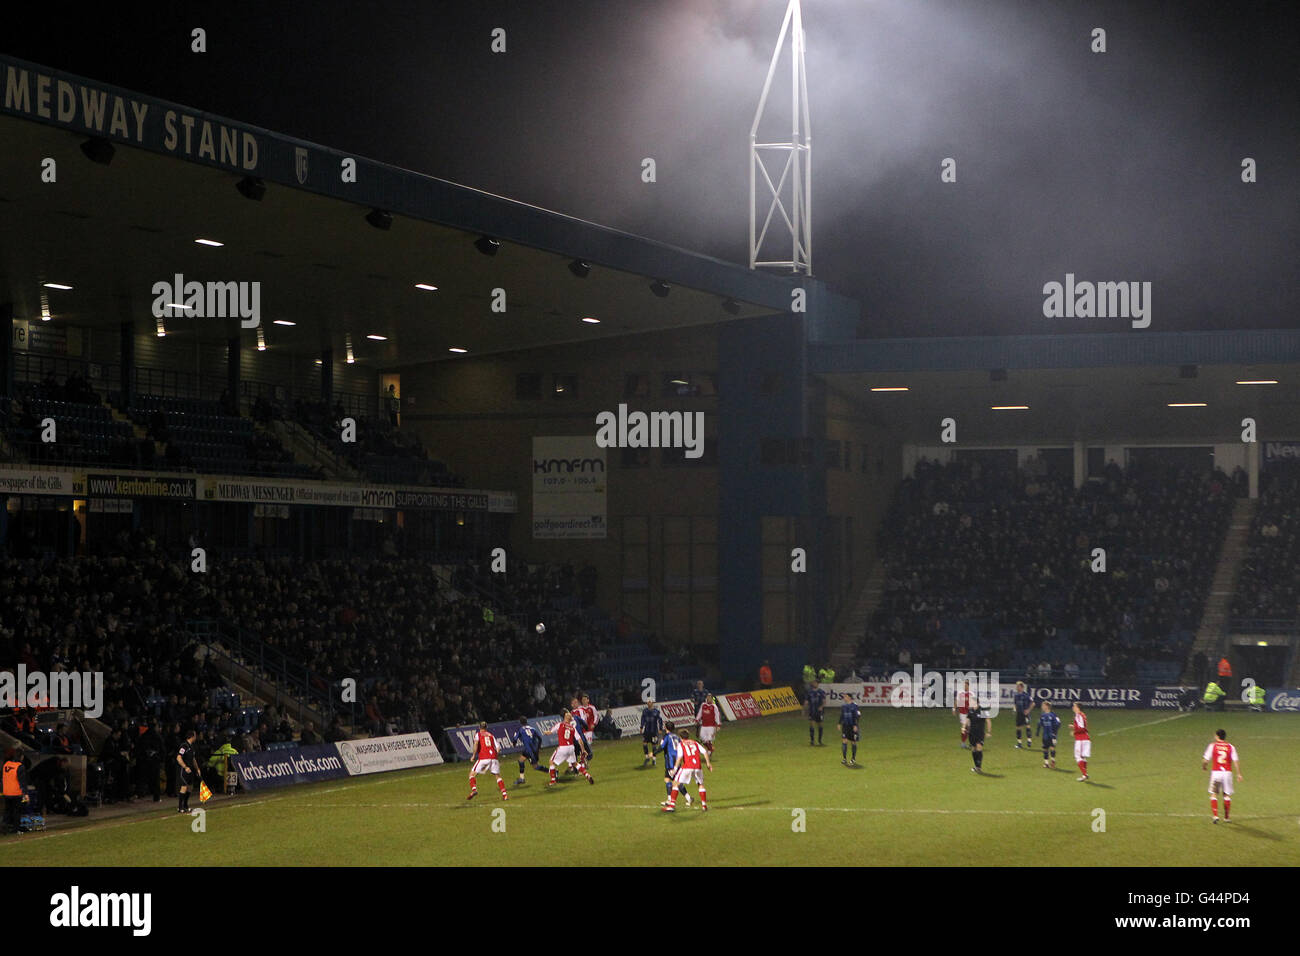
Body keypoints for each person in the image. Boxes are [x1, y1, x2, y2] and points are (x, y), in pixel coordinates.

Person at [662, 729, 712, 813]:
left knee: (675, 783)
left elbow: (679, 757)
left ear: (680, 737)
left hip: (687, 767)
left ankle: (672, 805)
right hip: (698, 767)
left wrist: (675, 768)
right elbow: (704, 752)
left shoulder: (681, 744)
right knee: (700, 784)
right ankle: (704, 805)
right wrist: (708, 763)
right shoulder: (695, 743)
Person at [1201, 729, 1242, 824]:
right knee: (1226, 794)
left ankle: (1215, 816)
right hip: (1227, 773)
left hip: (1216, 773)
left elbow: (1205, 760)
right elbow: (1236, 761)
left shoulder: (1212, 746)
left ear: (1217, 736)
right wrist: (1239, 774)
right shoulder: (1231, 747)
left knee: (1214, 794)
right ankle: (1227, 817)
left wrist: (1204, 766)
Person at [547, 711, 593, 786]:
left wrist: (546, 732)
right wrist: (583, 750)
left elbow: (550, 732)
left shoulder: (560, 724)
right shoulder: (573, 728)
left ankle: (553, 780)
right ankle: (587, 775)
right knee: (575, 763)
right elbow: (580, 740)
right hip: (571, 748)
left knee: (551, 762)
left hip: (563, 747)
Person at [467, 722, 508, 802]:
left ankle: (474, 790)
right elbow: (498, 748)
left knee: (472, 774)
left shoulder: (478, 734)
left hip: (483, 758)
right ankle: (505, 795)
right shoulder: (491, 735)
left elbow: (476, 744)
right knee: (497, 776)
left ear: (479, 727)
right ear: (486, 727)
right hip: (494, 757)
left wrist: (473, 755)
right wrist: (495, 755)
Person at [656, 721, 688, 806]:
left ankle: (682, 798)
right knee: (668, 779)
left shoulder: (666, 736)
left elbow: (662, 747)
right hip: (677, 759)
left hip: (671, 761)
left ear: (665, 728)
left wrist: (654, 753)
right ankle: (671, 799)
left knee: (675, 781)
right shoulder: (677, 737)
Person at [514, 717, 547, 785]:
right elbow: (540, 738)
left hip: (530, 751)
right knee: (521, 760)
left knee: (536, 767)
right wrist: (539, 747)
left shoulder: (521, 730)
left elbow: (515, 739)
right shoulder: (533, 729)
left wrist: (514, 743)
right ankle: (521, 778)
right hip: (532, 749)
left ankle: (553, 771)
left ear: (520, 723)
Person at [2, 749, 28, 834]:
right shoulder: (20, 766)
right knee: (17, 811)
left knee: (7, 811)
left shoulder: (6, 765)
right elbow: (22, 782)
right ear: (21, 756)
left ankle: (4, 827)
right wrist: (25, 794)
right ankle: (15, 829)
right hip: (16, 793)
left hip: (6, 792)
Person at [175, 729, 200, 814]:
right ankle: (180, 807)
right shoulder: (184, 746)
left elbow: (193, 759)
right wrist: (185, 767)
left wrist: (197, 769)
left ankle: (185, 805)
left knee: (190, 787)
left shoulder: (192, 746)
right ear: (192, 736)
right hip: (184, 770)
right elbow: (179, 757)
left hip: (190, 769)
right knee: (184, 786)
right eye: (195, 735)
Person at [967, 697, 991, 774]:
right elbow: (968, 720)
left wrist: (988, 732)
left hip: (980, 733)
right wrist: (964, 727)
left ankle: (979, 767)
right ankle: (976, 766)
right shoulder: (970, 711)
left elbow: (988, 721)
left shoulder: (982, 710)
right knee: (973, 749)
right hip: (972, 733)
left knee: (979, 748)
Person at [640, 700, 664, 766]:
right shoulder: (645, 711)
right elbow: (643, 719)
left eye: (650, 702)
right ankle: (647, 757)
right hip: (647, 731)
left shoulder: (656, 711)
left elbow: (660, 720)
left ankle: (654, 759)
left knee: (654, 745)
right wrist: (641, 727)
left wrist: (660, 728)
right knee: (644, 744)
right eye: (648, 702)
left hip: (654, 731)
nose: (649, 703)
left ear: (652, 703)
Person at [1038, 701, 1061, 769]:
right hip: (1045, 735)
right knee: (1045, 749)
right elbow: (1040, 723)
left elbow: (1058, 723)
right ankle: (1046, 763)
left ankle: (1053, 761)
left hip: (1052, 735)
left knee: (1052, 747)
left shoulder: (1053, 715)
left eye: (1043, 705)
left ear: (1047, 706)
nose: (1042, 707)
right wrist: (1038, 731)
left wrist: (1054, 733)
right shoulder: (1042, 715)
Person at [1071, 702, 1091, 781]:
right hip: (1085, 738)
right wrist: (1074, 727)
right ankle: (1085, 774)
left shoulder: (1079, 715)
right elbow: (1082, 726)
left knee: (1078, 757)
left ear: (1077, 707)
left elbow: (1082, 728)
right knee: (1082, 757)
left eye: (1074, 706)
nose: (1073, 707)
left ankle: (1084, 775)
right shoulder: (1081, 715)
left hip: (1081, 739)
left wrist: (1074, 732)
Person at [840, 696, 861, 767]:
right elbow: (842, 715)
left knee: (853, 742)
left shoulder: (855, 706)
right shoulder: (844, 706)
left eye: (845, 697)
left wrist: (855, 725)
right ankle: (844, 758)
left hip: (852, 726)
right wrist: (839, 723)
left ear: (849, 697)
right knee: (844, 741)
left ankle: (853, 758)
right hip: (845, 726)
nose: (844, 698)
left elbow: (857, 716)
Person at [953, 679, 973, 749]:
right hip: (962, 713)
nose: (965, 686)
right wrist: (954, 708)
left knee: (970, 728)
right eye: (964, 684)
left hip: (970, 713)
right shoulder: (960, 693)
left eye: (966, 684)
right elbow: (956, 700)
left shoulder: (971, 693)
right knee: (964, 727)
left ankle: (971, 743)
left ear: (968, 685)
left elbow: (974, 702)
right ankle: (963, 743)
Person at [1013, 681, 1033, 749]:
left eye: (1018, 686)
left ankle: (1029, 741)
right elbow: (1015, 704)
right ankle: (1019, 743)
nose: (1017, 688)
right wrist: (1014, 709)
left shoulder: (1026, 695)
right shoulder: (1016, 695)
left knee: (1028, 726)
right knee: (1018, 728)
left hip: (1025, 713)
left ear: (1022, 687)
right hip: (1019, 714)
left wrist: (1028, 710)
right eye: (1017, 686)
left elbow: (1032, 703)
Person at [806, 680, 827, 746]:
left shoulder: (821, 692)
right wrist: (804, 708)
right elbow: (806, 701)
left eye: (816, 683)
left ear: (818, 684)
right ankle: (812, 741)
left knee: (820, 726)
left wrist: (821, 707)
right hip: (812, 711)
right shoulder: (809, 692)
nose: (815, 684)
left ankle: (820, 741)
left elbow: (824, 701)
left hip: (819, 712)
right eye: (814, 683)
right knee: (812, 725)